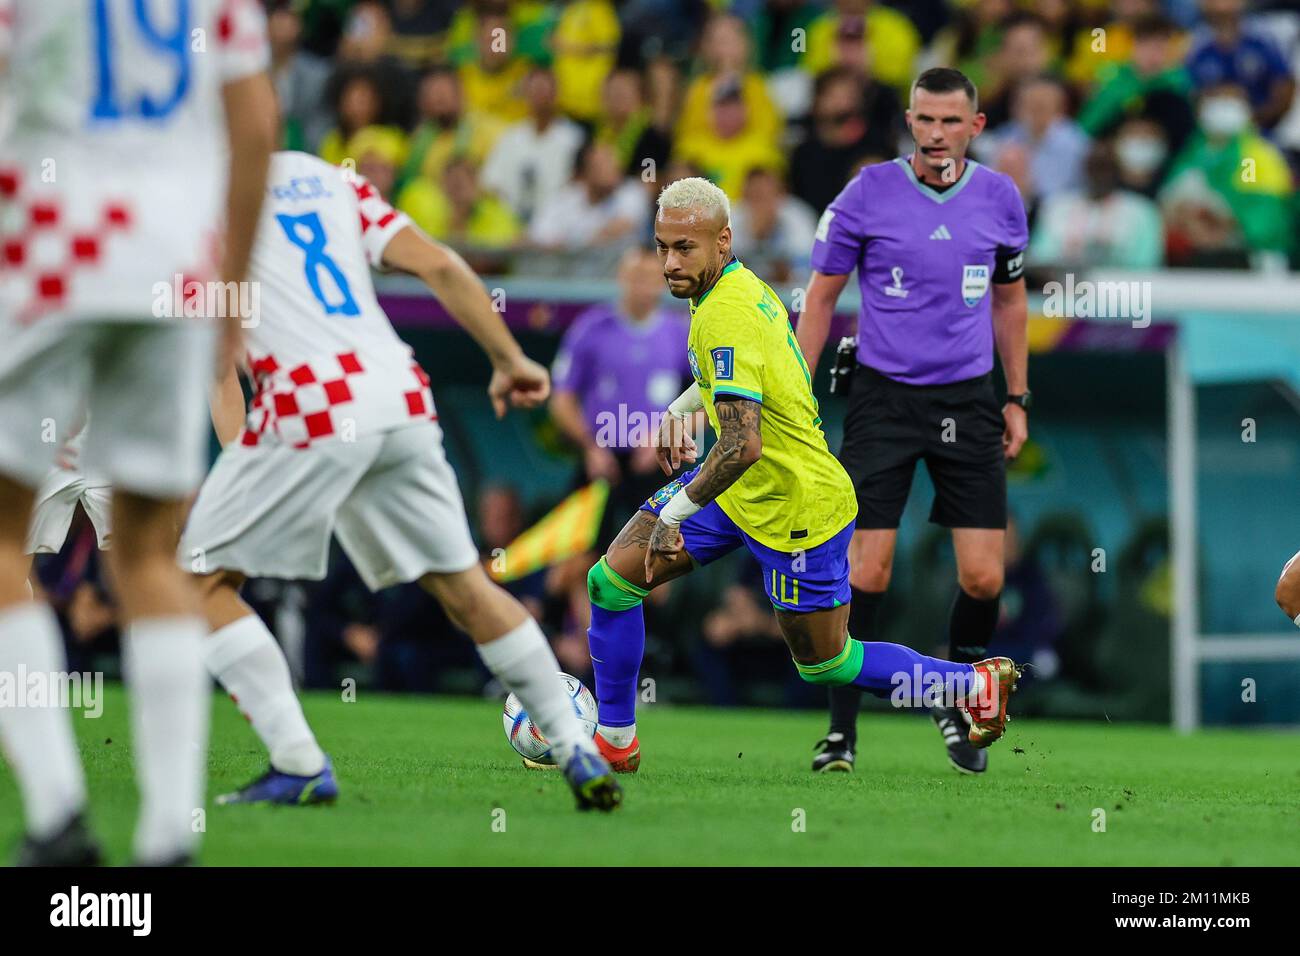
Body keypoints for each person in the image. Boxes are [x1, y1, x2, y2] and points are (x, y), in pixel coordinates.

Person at [180, 151, 621, 812]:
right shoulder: (327, 177)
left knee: (199, 581)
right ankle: (574, 745)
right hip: (400, 389)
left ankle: (298, 762)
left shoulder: (200, 194)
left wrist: (247, 468)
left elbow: (222, 366)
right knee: (467, 588)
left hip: (309, 402)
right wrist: (508, 357)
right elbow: (440, 263)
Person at [583, 176, 1020, 775]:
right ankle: (614, 742)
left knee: (828, 663)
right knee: (611, 582)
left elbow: (741, 446)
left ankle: (971, 686)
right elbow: (751, 381)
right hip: (737, 496)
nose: (669, 262)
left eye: (685, 248)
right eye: (662, 246)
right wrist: (677, 413)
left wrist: (675, 515)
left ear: (723, 240)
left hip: (796, 509)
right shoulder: (735, 290)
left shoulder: (728, 313)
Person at [0, 0, 276, 865]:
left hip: (50, 253)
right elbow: (257, 124)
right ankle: (166, 840)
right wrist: (228, 292)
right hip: (175, 267)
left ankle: (56, 816)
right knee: (154, 557)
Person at [796, 68, 1031, 776]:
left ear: (976, 126)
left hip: (968, 399)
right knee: (866, 569)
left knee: (986, 577)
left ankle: (959, 704)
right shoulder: (866, 192)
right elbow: (820, 297)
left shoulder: (1000, 197)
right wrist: (795, 394)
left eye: (949, 122)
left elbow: (1011, 303)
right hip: (883, 398)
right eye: (923, 121)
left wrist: (1016, 397)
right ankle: (841, 734)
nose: (935, 135)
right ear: (908, 121)